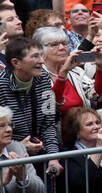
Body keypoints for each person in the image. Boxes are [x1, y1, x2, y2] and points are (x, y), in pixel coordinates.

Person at [0, 36, 62, 176]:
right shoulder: (1, 86)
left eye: (41, 55)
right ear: (16, 63)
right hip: (10, 159)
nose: (41, 61)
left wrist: (53, 157)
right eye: (35, 56)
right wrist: (20, 147)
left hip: (41, 152)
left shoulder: (43, 78)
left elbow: (48, 122)